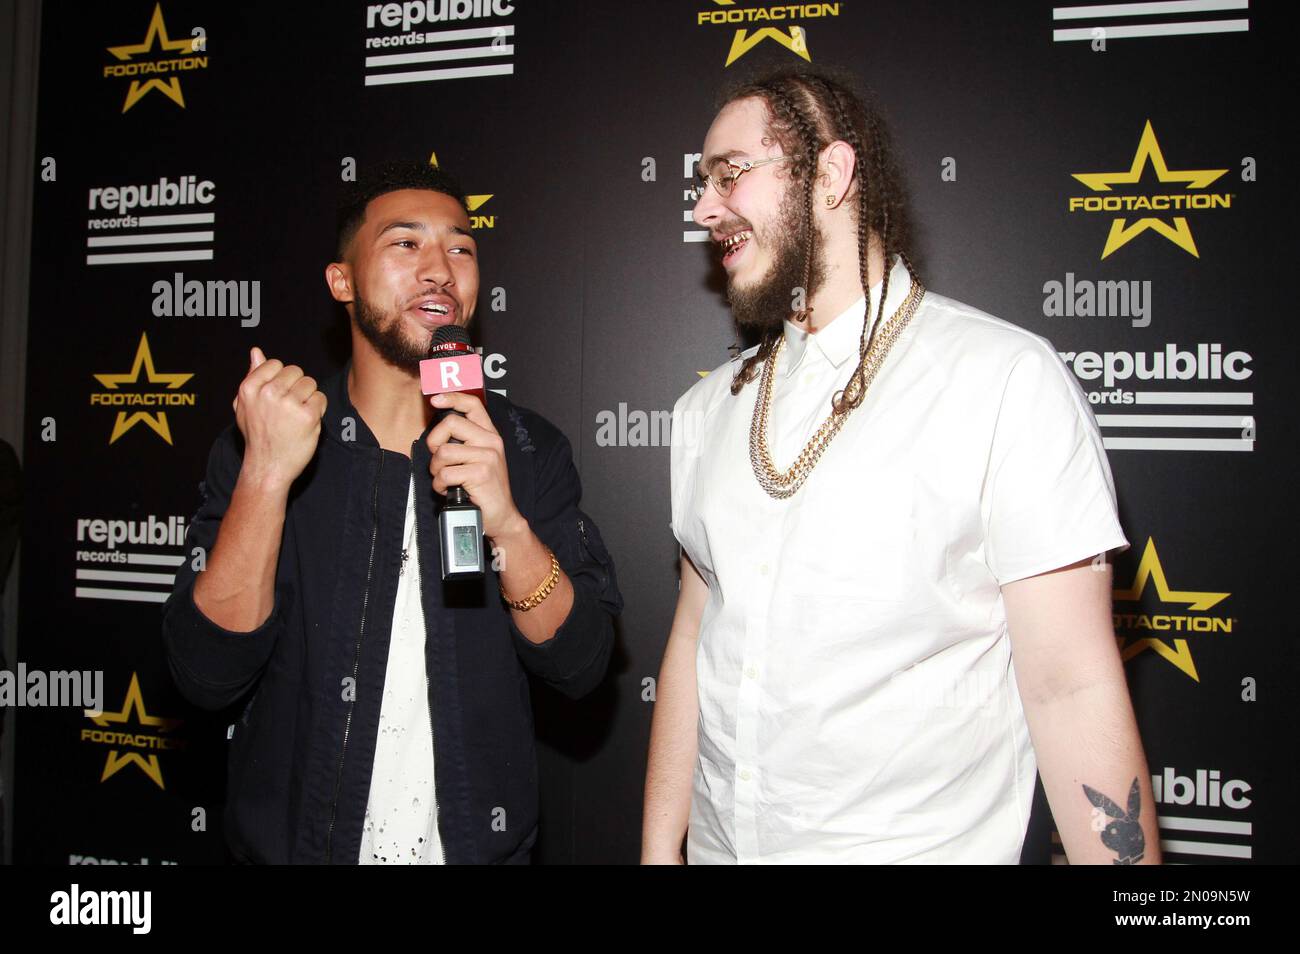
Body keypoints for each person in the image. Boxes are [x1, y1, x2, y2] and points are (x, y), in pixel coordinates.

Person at [642, 66, 1160, 865]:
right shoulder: (707, 414)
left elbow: (1071, 689)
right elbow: (693, 640)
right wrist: (657, 851)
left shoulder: (1004, 382)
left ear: (832, 175)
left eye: (730, 174)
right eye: (701, 183)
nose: (704, 208)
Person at [163, 159, 621, 864]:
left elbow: (583, 662)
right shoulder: (272, 440)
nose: (439, 267)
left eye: (461, 248)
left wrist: (506, 524)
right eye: (405, 243)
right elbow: (206, 672)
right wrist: (264, 477)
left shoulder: (526, 449)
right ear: (341, 281)